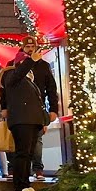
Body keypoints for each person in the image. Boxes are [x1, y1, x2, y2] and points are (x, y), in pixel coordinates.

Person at [0, 48, 47, 191]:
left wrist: (43, 121)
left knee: (28, 154)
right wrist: (30, 60)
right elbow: (20, 72)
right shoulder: (10, 75)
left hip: (32, 121)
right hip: (22, 120)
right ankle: (20, 186)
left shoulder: (28, 80)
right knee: (23, 153)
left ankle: (26, 184)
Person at [22, 36, 60, 180]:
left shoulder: (43, 65)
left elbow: (51, 89)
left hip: (39, 107)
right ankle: (22, 170)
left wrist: (53, 110)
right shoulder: (16, 64)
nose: (30, 49)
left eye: (32, 47)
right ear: (23, 48)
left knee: (37, 140)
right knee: (23, 141)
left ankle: (38, 169)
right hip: (22, 108)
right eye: (27, 47)